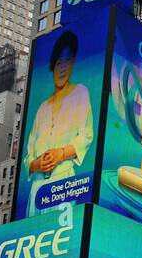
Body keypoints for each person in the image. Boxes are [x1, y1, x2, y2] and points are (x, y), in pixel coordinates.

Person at [22, 30, 94, 217]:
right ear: (53, 65)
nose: (62, 68)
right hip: (37, 188)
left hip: (63, 183)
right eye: (59, 63)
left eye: (68, 61)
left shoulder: (80, 93)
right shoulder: (41, 108)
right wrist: (36, 164)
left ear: (73, 63)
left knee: (61, 235)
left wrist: (60, 154)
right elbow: (28, 155)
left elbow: (86, 135)